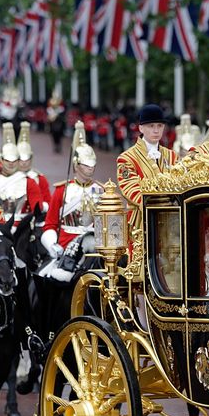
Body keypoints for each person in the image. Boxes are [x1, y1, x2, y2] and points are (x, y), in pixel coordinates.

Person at [39, 122, 103, 282]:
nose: (90, 169)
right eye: (86, 165)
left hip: (94, 247)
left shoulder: (102, 190)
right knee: (48, 281)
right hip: (66, 247)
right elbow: (50, 223)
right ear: (76, 165)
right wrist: (53, 245)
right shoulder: (62, 190)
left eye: (92, 165)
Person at [117, 104, 178, 235]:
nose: (156, 131)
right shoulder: (127, 158)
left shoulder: (172, 155)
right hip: (141, 223)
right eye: (151, 126)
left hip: (170, 221)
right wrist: (157, 204)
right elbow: (130, 189)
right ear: (141, 128)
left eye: (160, 126)